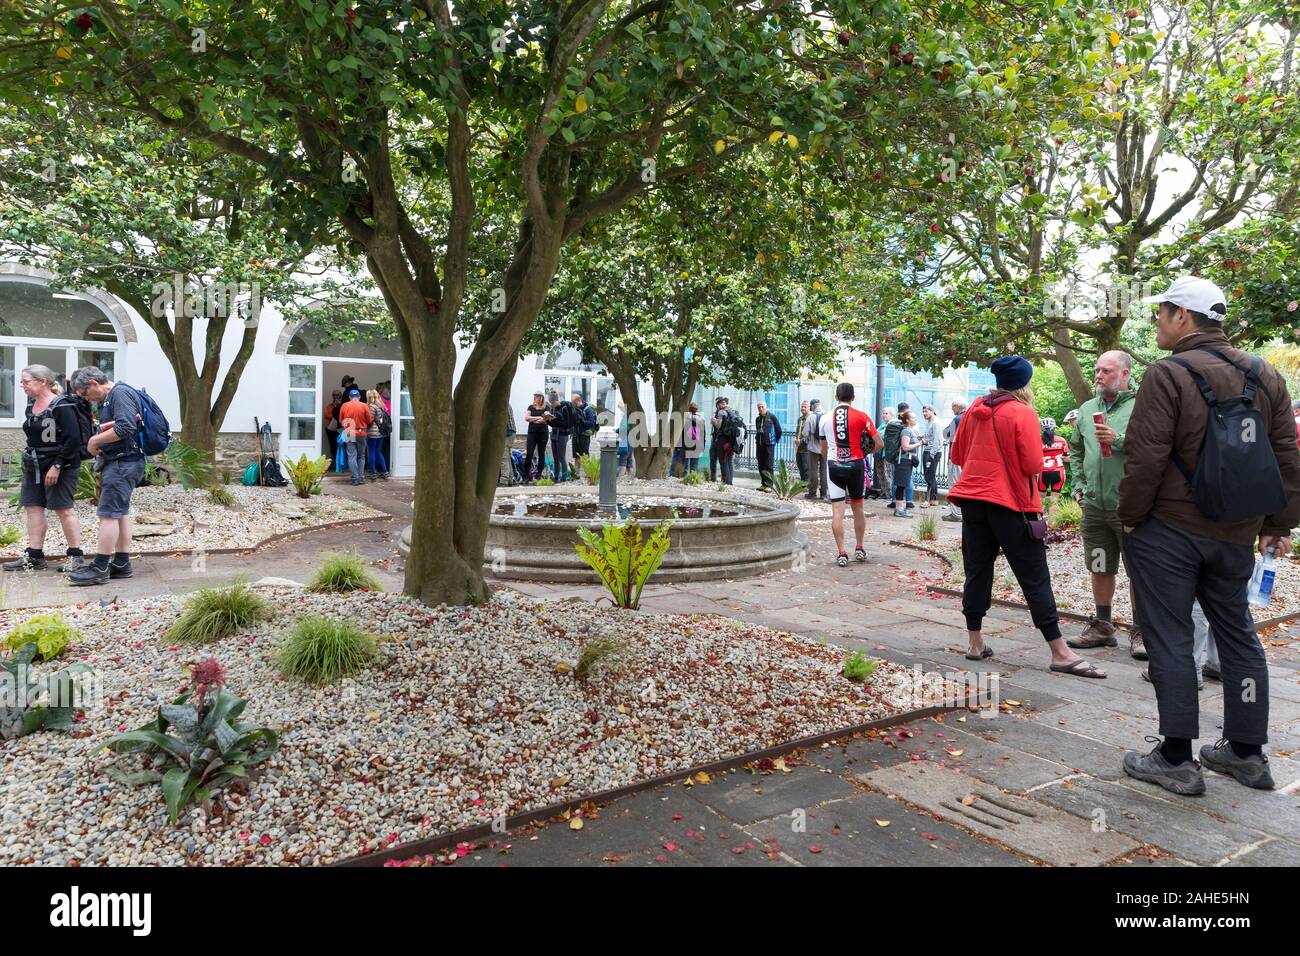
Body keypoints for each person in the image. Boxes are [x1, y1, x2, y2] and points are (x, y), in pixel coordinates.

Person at [1117, 276, 1299, 795]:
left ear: (1182, 316)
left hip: (1170, 530)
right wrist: (1278, 524)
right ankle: (1246, 752)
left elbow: (1147, 455)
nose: (1157, 321)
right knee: (1238, 635)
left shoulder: (1168, 372)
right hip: (1236, 534)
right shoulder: (1265, 375)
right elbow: (1287, 455)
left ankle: (1175, 757)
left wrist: (1130, 517)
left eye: (1162, 312)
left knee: (1171, 637)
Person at [949, 355, 1105, 679]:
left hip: (973, 501)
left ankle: (975, 643)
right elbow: (1034, 465)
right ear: (1024, 383)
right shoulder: (1023, 412)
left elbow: (957, 455)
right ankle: (1060, 652)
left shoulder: (974, 410)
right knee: (1034, 575)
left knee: (976, 572)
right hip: (1010, 504)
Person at [1067, 351, 1144, 659]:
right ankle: (1103, 626)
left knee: (1138, 571)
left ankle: (1142, 631)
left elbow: (1156, 447)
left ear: (1124, 374)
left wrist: (1119, 439)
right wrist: (1079, 486)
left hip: (1131, 507)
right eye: (1097, 370)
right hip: (1095, 508)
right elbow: (1075, 449)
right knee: (1100, 564)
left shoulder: (1142, 406)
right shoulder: (1087, 409)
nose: (1098, 375)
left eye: (1106, 371)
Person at [65, 367, 147, 587]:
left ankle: (100, 567)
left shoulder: (119, 393)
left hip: (123, 464)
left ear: (94, 383)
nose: (85, 398)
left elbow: (126, 427)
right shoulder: (115, 395)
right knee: (120, 513)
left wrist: (95, 441)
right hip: (124, 462)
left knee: (108, 514)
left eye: (84, 393)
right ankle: (121, 563)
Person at [2, 366, 86, 573]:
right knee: (33, 507)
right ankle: (34, 556)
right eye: (22, 382)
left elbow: (73, 440)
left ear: (42, 382)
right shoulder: (31, 405)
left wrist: (57, 465)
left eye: (26, 381)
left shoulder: (62, 405)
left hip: (61, 465)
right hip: (34, 464)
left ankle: (76, 556)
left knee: (63, 509)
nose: (22, 386)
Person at [819, 382, 879, 566]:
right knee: (857, 508)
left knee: (837, 511)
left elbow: (823, 449)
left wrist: (833, 458)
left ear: (836, 397)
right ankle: (859, 548)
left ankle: (841, 552)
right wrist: (864, 452)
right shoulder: (862, 417)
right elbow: (879, 444)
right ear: (853, 398)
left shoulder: (825, 418)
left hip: (834, 465)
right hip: (856, 465)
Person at [338, 387, 372, 486]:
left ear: (349, 397)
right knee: (361, 455)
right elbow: (369, 420)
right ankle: (361, 477)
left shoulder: (344, 405)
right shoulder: (364, 405)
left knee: (352, 456)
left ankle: (355, 478)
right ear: (359, 397)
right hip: (361, 432)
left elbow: (341, 421)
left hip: (349, 432)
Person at [942, 400, 967, 522]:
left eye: (953, 407)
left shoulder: (957, 419)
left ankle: (956, 513)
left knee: (954, 483)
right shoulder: (970, 417)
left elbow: (946, 435)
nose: (952, 409)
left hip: (955, 456)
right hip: (967, 458)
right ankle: (962, 511)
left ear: (957, 407)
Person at [892, 410, 921, 518]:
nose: (915, 419)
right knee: (901, 485)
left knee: (903, 485)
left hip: (906, 461)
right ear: (907, 420)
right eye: (913, 418)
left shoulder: (909, 430)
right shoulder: (906, 431)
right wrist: (919, 443)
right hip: (903, 461)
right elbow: (905, 447)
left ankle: (901, 508)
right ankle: (899, 510)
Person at [709, 397, 741, 485]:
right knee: (729, 461)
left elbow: (718, 426)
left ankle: (726, 482)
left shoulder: (721, 412)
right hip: (731, 440)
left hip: (722, 440)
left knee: (723, 461)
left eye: (718, 404)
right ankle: (729, 481)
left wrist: (714, 422)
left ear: (719, 404)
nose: (717, 405)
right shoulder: (732, 412)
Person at [1038, 417, 1068, 504]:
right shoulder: (1062, 440)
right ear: (1054, 427)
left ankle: (1040, 517)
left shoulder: (1038, 441)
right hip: (1059, 471)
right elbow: (1067, 458)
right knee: (1054, 500)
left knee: (1040, 499)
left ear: (1042, 429)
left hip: (1043, 472)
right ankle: (1052, 518)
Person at [754, 402, 783, 490]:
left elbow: (779, 430)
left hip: (769, 445)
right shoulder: (757, 419)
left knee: (768, 465)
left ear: (766, 407)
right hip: (759, 444)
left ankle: (769, 485)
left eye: (762, 407)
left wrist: (775, 440)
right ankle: (763, 484)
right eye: (759, 407)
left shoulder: (772, 417)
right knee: (761, 464)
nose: (761, 408)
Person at [919, 405, 943, 507]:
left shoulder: (935, 422)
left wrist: (932, 454)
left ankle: (927, 500)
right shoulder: (930, 422)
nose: (924, 413)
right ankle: (934, 499)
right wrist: (923, 437)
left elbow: (938, 440)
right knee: (930, 475)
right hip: (929, 450)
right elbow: (931, 437)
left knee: (929, 475)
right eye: (923, 412)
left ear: (932, 411)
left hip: (932, 452)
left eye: (926, 411)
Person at [803, 399, 827, 500]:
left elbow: (805, 433)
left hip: (813, 448)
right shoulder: (827, 416)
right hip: (825, 448)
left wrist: (808, 439)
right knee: (824, 470)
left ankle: (812, 493)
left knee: (813, 470)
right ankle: (824, 494)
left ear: (813, 406)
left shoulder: (811, 417)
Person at [546, 389, 573, 481]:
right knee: (555, 457)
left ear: (555, 400)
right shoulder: (552, 408)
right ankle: (556, 476)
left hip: (562, 434)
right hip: (554, 433)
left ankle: (564, 476)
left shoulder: (564, 408)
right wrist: (548, 420)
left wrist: (555, 419)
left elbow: (566, 424)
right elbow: (553, 424)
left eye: (552, 402)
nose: (551, 404)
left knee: (561, 456)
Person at [364, 389, 390, 481]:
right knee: (378, 452)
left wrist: (364, 423)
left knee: (371, 452)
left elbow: (370, 420)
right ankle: (385, 472)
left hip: (373, 432)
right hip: (381, 432)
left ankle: (373, 473)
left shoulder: (372, 406)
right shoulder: (381, 405)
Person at [523, 392, 549, 482]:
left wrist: (533, 419)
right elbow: (526, 418)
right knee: (529, 453)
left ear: (541, 398)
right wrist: (538, 418)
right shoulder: (531, 407)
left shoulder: (546, 407)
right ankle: (526, 476)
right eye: (534, 396)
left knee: (541, 454)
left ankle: (538, 475)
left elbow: (545, 419)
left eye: (537, 396)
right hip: (532, 433)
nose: (535, 398)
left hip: (543, 433)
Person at [570, 392, 597, 468]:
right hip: (575, 435)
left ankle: (589, 474)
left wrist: (582, 421)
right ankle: (576, 474)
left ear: (577, 401)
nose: (572, 404)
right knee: (576, 456)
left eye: (573, 402)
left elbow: (591, 423)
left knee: (585, 456)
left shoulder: (588, 410)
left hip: (584, 436)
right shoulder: (574, 409)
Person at [680, 402, 704, 475]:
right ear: (696, 410)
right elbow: (703, 434)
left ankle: (683, 479)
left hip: (686, 444)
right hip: (697, 445)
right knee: (694, 466)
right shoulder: (701, 419)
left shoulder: (684, 418)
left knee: (684, 464)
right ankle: (693, 479)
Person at [324, 388, 343, 462]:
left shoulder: (343, 405)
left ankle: (340, 462)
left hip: (340, 429)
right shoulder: (330, 406)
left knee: (341, 446)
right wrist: (335, 414)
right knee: (332, 446)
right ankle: (334, 462)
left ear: (340, 396)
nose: (336, 397)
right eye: (334, 395)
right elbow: (326, 415)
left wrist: (337, 409)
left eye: (337, 395)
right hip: (330, 430)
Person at [794, 400, 811, 482]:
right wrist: (796, 439)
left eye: (805, 407)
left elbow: (810, 434)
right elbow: (798, 432)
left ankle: (807, 486)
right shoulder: (800, 419)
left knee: (806, 468)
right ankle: (802, 484)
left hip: (807, 448)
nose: (803, 408)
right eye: (802, 406)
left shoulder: (810, 418)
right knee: (800, 466)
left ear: (809, 408)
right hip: (799, 447)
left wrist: (802, 441)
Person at [617, 403, 635, 476]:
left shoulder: (626, 417)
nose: (621, 410)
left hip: (626, 441)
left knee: (623, 459)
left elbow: (624, 428)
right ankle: (631, 476)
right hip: (631, 440)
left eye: (621, 408)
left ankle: (620, 478)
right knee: (629, 460)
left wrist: (616, 431)